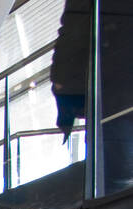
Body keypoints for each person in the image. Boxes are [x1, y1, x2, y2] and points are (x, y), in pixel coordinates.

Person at [53, 0, 133, 192]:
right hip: (116, 105)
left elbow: (73, 35)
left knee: (113, 191)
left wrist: (63, 87)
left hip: (113, 108)